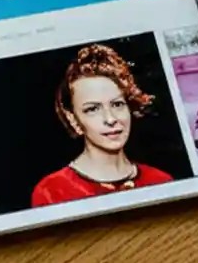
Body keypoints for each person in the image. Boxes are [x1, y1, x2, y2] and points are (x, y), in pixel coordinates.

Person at [31, 44, 173, 207]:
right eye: (93, 109)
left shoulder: (161, 181)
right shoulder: (52, 192)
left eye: (117, 104)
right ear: (73, 119)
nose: (110, 118)